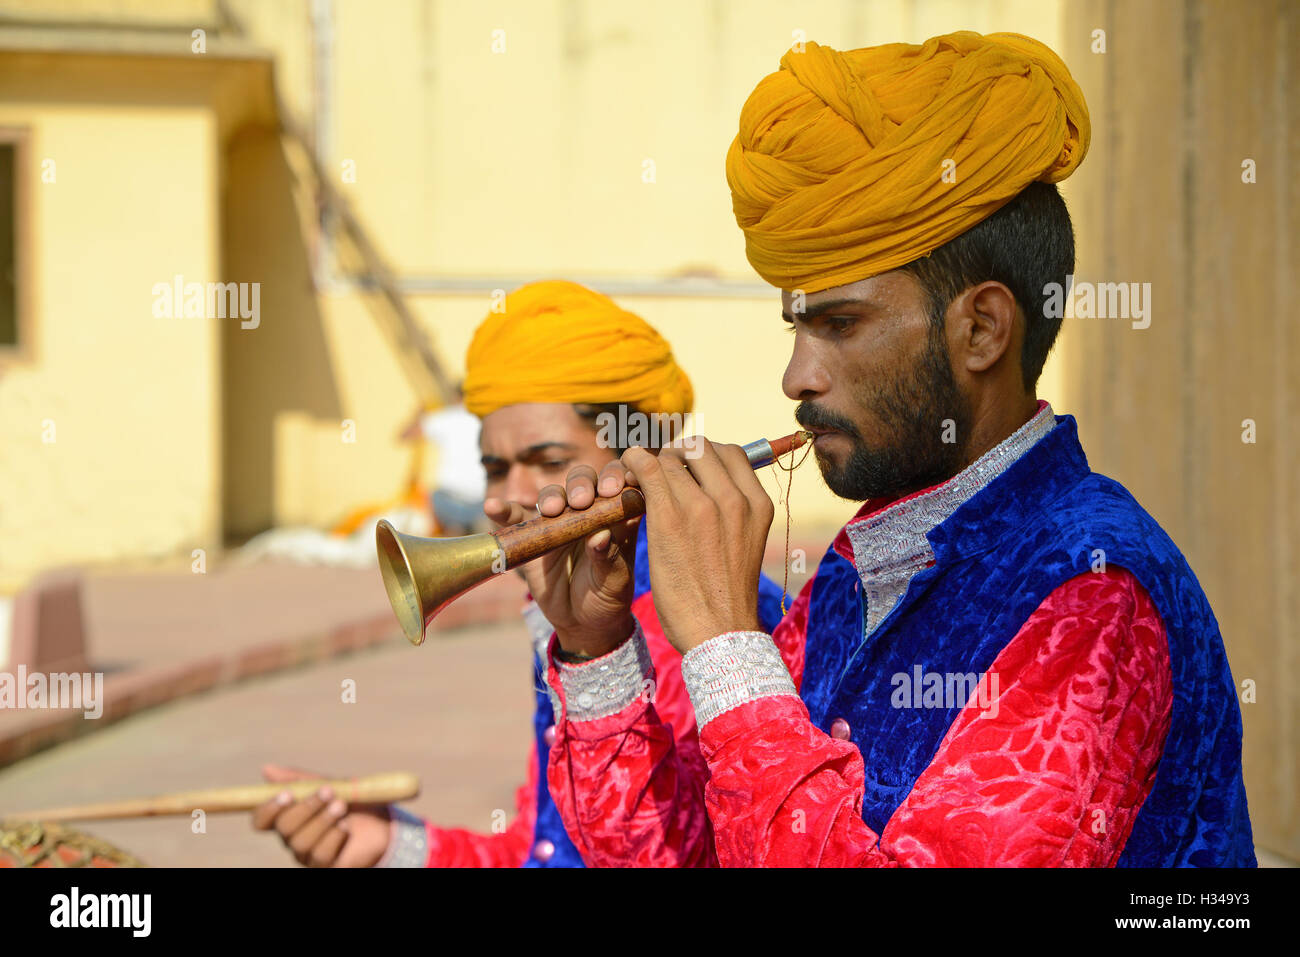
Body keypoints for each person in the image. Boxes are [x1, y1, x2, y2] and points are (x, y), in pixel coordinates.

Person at [534, 33, 1255, 866]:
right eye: (798, 326)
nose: (797, 375)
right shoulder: (859, 568)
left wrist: (730, 649)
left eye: (840, 324)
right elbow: (701, 851)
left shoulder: (1093, 589)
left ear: (980, 328)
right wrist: (595, 646)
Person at [251, 280, 788, 867]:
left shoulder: (704, 621)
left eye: (551, 462)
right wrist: (394, 846)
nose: (513, 496)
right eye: (495, 468)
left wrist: (596, 651)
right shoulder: (568, 615)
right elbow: (549, 847)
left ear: (642, 462)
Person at [399, 383, 486, 536]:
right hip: (482, 499)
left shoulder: (446, 417)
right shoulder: (484, 416)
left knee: (450, 543)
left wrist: (420, 414)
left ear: (456, 397)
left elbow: (404, 435)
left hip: (449, 497)